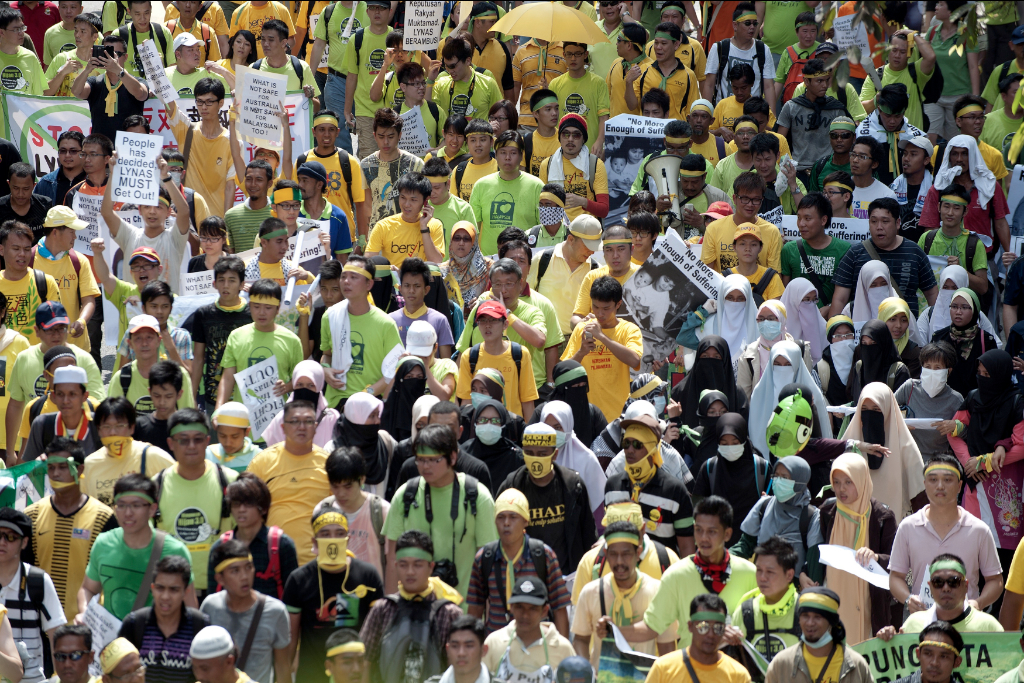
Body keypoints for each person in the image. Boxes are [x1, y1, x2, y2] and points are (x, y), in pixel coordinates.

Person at [889, 456, 1003, 614]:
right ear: (924, 485)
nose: (940, 486)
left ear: (959, 486)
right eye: (933, 479)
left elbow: (995, 580)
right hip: (923, 623)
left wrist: (978, 603)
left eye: (948, 480)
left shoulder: (979, 530)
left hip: (966, 625)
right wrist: (908, 599)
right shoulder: (908, 527)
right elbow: (895, 577)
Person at [283, 507, 382, 683]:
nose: (332, 539)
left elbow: (377, 634)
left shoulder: (368, 576)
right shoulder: (299, 579)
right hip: (312, 675)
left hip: (356, 675)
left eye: (339, 533)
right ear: (314, 541)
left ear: (348, 539)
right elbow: (290, 638)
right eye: (325, 534)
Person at [77, 473, 195, 622]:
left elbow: (190, 608)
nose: (128, 513)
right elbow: (88, 589)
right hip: (110, 641)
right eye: (121, 505)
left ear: (152, 509)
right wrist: (85, 613)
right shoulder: (103, 543)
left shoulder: (175, 550)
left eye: (136, 505)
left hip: (155, 642)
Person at [24, 437, 114, 621]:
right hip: (39, 626)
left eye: (63, 467)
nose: (56, 473)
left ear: (80, 469)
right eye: (51, 467)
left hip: (86, 624)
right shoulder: (31, 516)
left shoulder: (105, 517)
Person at [572, 521, 676, 676]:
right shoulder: (591, 592)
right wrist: (586, 672)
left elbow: (667, 649)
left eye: (626, 553)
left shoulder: (658, 592)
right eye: (613, 554)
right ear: (606, 554)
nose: (619, 561)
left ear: (638, 552)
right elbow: (580, 639)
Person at [360, 528, 464, 683]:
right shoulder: (382, 609)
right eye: (403, 565)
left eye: (418, 565)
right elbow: (364, 662)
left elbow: (459, 667)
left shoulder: (449, 613)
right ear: (395, 565)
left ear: (431, 567)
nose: (410, 572)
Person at [496, 424, 597, 581]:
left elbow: (588, 536)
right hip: (524, 579)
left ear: (554, 454)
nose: (536, 459)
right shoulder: (512, 485)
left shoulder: (572, 486)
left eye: (542, 454)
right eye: (529, 453)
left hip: (568, 579)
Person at [154, 409, 238, 596]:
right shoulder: (155, 487)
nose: (191, 446)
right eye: (183, 440)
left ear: (208, 442)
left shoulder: (231, 482)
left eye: (198, 439)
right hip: (171, 594)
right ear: (171, 444)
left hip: (220, 591)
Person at [467, 488, 572, 637]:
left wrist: (562, 650)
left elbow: (559, 607)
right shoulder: (484, 558)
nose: (506, 523)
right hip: (497, 645)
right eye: (501, 517)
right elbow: (475, 610)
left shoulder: (543, 555)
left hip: (538, 644)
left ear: (525, 521)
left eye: (513, 517)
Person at [245, 400, 329, 565]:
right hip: (271, 560)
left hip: (317, 561)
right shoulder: (262, 462)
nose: (302, 427)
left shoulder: (328, 464)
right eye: (295, 421)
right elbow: (248, 510)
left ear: (316, 426)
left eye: (308, 421)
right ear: (283, 427)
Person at [830, 199, 938, 319]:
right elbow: (840, 299)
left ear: (897, 223)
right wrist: (834, 329)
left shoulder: (914, 252)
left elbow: (932, 293)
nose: (879, 227)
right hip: (864, 331)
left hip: (905, 329)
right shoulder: (855, 254)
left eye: (885, 221)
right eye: (874, 221)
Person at [320, 257, 404, 410]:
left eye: (353, 277)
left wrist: (367, 393)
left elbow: (396, 369)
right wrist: (325, 369)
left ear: (369, 284)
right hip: (335, 404)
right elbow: (327, 354)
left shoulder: (386, 324)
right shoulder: (330, 316)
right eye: (344, 277)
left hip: (369, 404)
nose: (346, 281)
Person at [200, 542, 291, 683]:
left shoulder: (275, 611)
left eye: (248, 568)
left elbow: (283, 667)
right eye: (235, 571)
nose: (244, 576)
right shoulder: (210, 606)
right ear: (220, 578)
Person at [101, 156, 191, 293]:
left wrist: (166, 177)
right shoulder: (130, 236)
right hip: (135, 312)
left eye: (159, 207)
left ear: (168, 212)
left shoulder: (174, 239)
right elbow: (107, 212)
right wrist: (113, 174)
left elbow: (184, 212)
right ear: (140, 210)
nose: (152, 212)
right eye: (147, 207)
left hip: (167, 312)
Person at [117, 555, 209, 683]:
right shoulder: (134, 624)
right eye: (160, 588)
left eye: (174, 590)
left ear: (185, 592)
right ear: (152, 589)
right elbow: (119, 673)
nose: (165, 596)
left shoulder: (200, 625)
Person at [207, 472, 300, 599]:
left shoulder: (282, 545)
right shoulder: (220, 547)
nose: (241, 509)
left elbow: (293, 600)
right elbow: (213, 598)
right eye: (236, 504)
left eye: (248, 504)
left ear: (264, 508)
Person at [563, 276, 642, 422]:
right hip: (585, 414)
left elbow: (634, 360)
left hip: (618, 416)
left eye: (606, 308)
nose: (600, 313)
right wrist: (581, 352)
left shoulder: (629, 329)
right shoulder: (582, 328)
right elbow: (564, 373)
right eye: (595, 307)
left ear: (618, 304)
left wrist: (602, 337)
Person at [0, 507, 66, 683]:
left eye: (11, 537)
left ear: (24, 542)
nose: (2, 542)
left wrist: (58, 677)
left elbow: (56, 635)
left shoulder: (38, 581)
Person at [919, 136, 1010, 261]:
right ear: (949, 157)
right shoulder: (938, 188)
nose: (959, 159)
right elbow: (931, 228)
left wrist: (1010, 257)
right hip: (947, 259)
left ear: (973, 156)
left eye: (965, 154)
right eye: (955, 154)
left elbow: (1000, 223)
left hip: (983, 257)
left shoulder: (990, 186)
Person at [216, 278, 303, 408]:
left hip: (278, 420)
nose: (261, 312)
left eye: (268, 308)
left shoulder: (292, 340)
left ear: (278, 309)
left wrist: (287, 387)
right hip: (243, 419)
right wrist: (219, 410)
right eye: (256, 307)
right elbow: (228, 378)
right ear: (249, 306)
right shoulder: (236, 336)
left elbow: (300, 380)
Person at [763, 588, 873, 683]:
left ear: (831, 622)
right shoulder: (782, 664)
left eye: (818, 617)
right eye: (805, 616)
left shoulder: (856, 666)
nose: (810, 623)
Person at [81, 397, 175, 506]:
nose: (113, 432)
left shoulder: (152, 456)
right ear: (98, 430)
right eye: (106, 427)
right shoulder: (89, 465)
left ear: (132, 427)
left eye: (120, 426)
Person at [312, 447, 391, 577]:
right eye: (335, 486)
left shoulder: (382, 511)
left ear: (362, 480)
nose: (341, 493)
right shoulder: (322, 510)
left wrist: (388, 597)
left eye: (347, 486)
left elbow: (392, 561)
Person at [884, 553, 1003, 637]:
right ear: (930, 586)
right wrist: (887, 639)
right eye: (938, 582)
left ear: (966, 586)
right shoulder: (913, 624)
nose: (946, 588)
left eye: (953, 581)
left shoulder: (989, 627)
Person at [481, 575, 576, 679]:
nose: (525, 615)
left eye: (533, 609)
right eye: (519, 607)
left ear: (544, 611)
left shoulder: (562, 648)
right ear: (511, 607)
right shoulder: (493, 642)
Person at [165, 78, 234, 218]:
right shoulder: (186, 130)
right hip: (187, 219)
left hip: (215, 222)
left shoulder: (232, 142)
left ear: (221, 103)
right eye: (200, 101)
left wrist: (225, 225)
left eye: (209, 102)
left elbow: (230, 187)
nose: (203, 107)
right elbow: (168, 102)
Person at [189, 257, 250, 410]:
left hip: (247, 397)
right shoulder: (203, 314)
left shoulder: (252, 314)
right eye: (221, 280)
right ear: (214, 284)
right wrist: (192, 395)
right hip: (212, 398)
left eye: (232, 280)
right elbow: (198, 358)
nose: (226, 285)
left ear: (242, 284)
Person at [69, 32, 149, 144]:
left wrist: (118, 70)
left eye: (116, 53)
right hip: (101, 150)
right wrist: (87, 70)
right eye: (107, 53)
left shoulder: (137, 81)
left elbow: (141, 94)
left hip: (130, 148)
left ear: (125, 57)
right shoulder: (96, 82)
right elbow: (76, 92)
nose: (111, 58)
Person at [108, 317, 195, 415]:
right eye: (138, 338)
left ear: (159, 341)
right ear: (129, 343)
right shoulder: (121, 378)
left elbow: (188, 421)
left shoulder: (179, 375)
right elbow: (113, 420)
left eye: (149, 337)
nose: (144, 343)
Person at [893, 341, 964, 461]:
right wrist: (899, 423)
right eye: (928, 367)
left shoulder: (955, 399)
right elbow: (887, 410)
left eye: (937, 368)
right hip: (907, 458)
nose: (932, 372)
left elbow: (968, 432)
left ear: (948, 371)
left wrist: (956, 427)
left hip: (939, 462)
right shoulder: (909, 387)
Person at [21, 364, 100, 461]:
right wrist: (38, 466)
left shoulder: (99, 425)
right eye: (60, 394)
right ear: (53, 396)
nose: (65, 400)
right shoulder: (42, 425)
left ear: (85, 396)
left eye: (72, 394)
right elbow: (27, 469)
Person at [702, 2, 774, 107]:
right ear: (735, 25)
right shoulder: (719, 48)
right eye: (747, 23)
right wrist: (706, 113)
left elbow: (768, 87)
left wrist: (771, 118)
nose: (752, 27)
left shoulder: (763, 49)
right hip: (724, 115)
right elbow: (709, 85)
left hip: (753, 116)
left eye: (755, 23)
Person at [855, 85, 927, 186]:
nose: (892, 121)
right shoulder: (864, 133)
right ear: (879, 110)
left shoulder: (916, 136)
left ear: (904, 111)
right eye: (887, 116)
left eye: (897, 116)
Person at [548, 43, 609, 157]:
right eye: (569, 54)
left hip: (590, 150)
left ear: (585, 54)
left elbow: (604, 117)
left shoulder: (598, 83)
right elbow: (549, 119)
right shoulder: (555, 84)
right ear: (563, 55)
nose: (573, 58)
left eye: (577, 54)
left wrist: (600, 141)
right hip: (560, 151)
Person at [431, 33, 502, 126]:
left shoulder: (488, 83)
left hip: (477, 139)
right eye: (446, 66)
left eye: (453, 66)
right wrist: (430, 81)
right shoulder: (440, 83)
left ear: (468, 61)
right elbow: (429, 113)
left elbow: (501, 116)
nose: (450, 70)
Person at [206, 402, 261, 473]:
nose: (228, 443)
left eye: (235, 437)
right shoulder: (208, 455)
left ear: (247, 432)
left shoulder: (259, 457)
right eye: (222, 436)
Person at [0, 165, 51, 236]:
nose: (20, 194)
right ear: (9, 184)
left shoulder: (45, 205)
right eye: (16, 188)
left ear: (34, 186)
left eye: (26, 189)